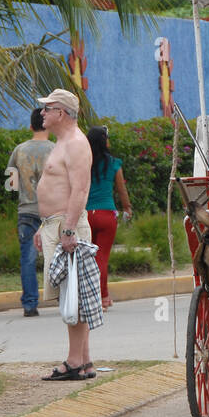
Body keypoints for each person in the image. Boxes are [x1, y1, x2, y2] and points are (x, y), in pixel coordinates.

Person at [33, 89, 99, 380]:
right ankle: (84, 361)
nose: (42, 114)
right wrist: (44, 225)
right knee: (72, 292)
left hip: (66, 225)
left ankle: (74, 361)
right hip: (56, 224)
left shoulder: (75, 143)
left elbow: (80, 189)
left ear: (61, 113)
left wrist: (69, 229)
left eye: (47, 109)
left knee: (72, 293)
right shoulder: (63, 142)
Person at [6, 108, 53, 317]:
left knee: (28, 258)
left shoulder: (19, 150)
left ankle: (30, 304)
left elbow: (11, 184)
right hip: (52, 210)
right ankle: (61, 297)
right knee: (57, 255)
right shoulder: (56, 149)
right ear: (47, 125)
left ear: (31, 126)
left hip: (26, 210)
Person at [86, 126, 133, 309]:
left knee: (88, 259)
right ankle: (103, 298)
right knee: (102, 258)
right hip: (107, 215)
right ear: (105, 141)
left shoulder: (83, 162)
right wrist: (127, 208)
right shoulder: (114, 163)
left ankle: (92, 298)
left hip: (86, 215)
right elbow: (121, 190)